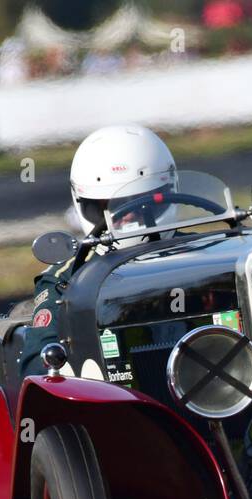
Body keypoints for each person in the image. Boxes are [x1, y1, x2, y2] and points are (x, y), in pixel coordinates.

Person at [18, 125, 180, 378]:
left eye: (144, 203)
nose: (128, 217)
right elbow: (38, 365)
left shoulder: (204, 254)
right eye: (110, 206)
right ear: (86, 204)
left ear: (166, 193)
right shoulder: (66, 277)